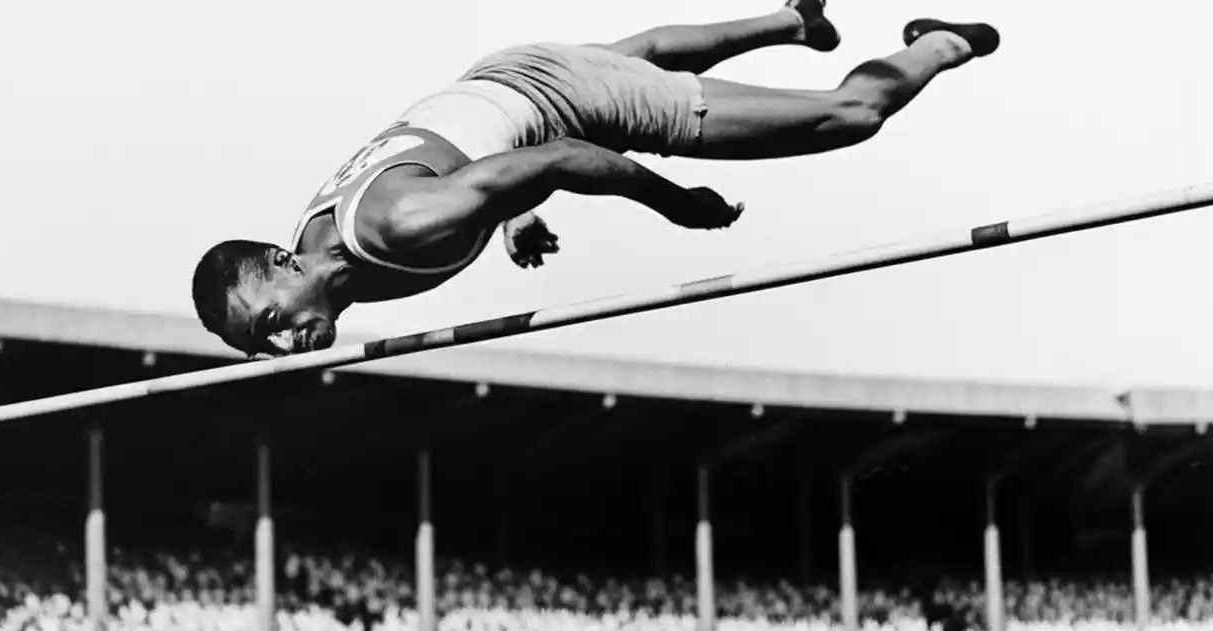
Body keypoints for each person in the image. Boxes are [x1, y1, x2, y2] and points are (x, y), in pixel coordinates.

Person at [191, 2, 999, 357]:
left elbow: (561, 159)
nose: (282, 343)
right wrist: (507, 213)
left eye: (271, 321)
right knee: (637, 57)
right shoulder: (320, 244)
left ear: (284, 266)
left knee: (847, 117)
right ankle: (793, 19)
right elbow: (461, 156)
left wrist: (673, 202)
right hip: (503, 80)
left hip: (565, 104)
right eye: (260, 346)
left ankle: (936, 44)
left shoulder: (397, 227)